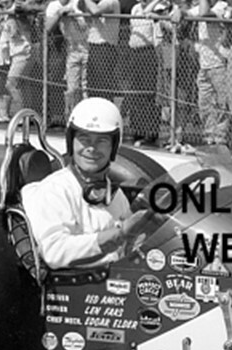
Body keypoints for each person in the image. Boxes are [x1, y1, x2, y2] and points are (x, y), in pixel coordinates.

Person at [20, 98, 151, 270]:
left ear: (113, 146)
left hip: (117, 284)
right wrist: (117, 236)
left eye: (101, 141)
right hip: (75, 289)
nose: (91, 148)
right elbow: (53, 252)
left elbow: (127, 248)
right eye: (84, 138)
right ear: (71, 142)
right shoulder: (55, 190)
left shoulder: (114, 195)